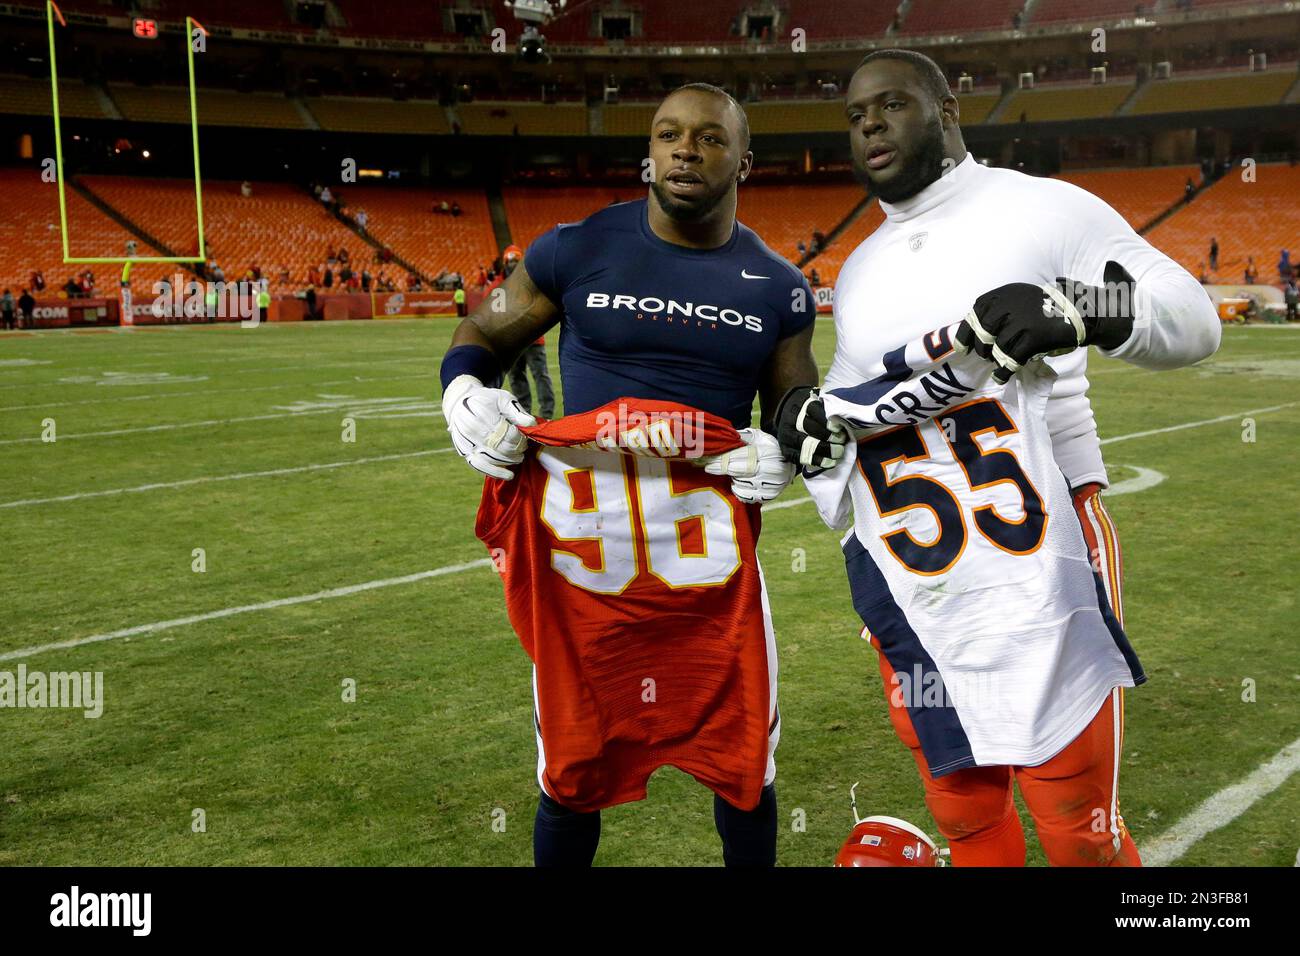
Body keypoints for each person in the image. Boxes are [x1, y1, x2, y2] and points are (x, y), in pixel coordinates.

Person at [790, 48, 1220, 868]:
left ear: (947, 110)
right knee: (965, 810)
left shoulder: (1043, 208)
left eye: (891, 104)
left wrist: (1077, 310)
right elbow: (846, 411)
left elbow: (1191, 316)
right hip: (920, 574)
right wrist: (805, 429)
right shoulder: (860, 269)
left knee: (1075, 829)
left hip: (1039, 549)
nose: (870, 124)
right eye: (854, 115)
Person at [439, 82, 827, 868]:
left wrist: (785, 447)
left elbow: (795, 401)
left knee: (746, 760)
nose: (685, 148)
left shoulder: (779, 285)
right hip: (582, 567)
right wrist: (462, 389)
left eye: (710, 138)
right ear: (648, 152)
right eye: (667, 134)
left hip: (710, 571)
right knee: (571, 769)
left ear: (744, 159)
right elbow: (484, 327)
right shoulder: (575, 246)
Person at [507, 335, 555, 419]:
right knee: (517, 377)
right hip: (513, 341)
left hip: (533, 339)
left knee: (540, 376)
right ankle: (523, 414)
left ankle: (546, 415)